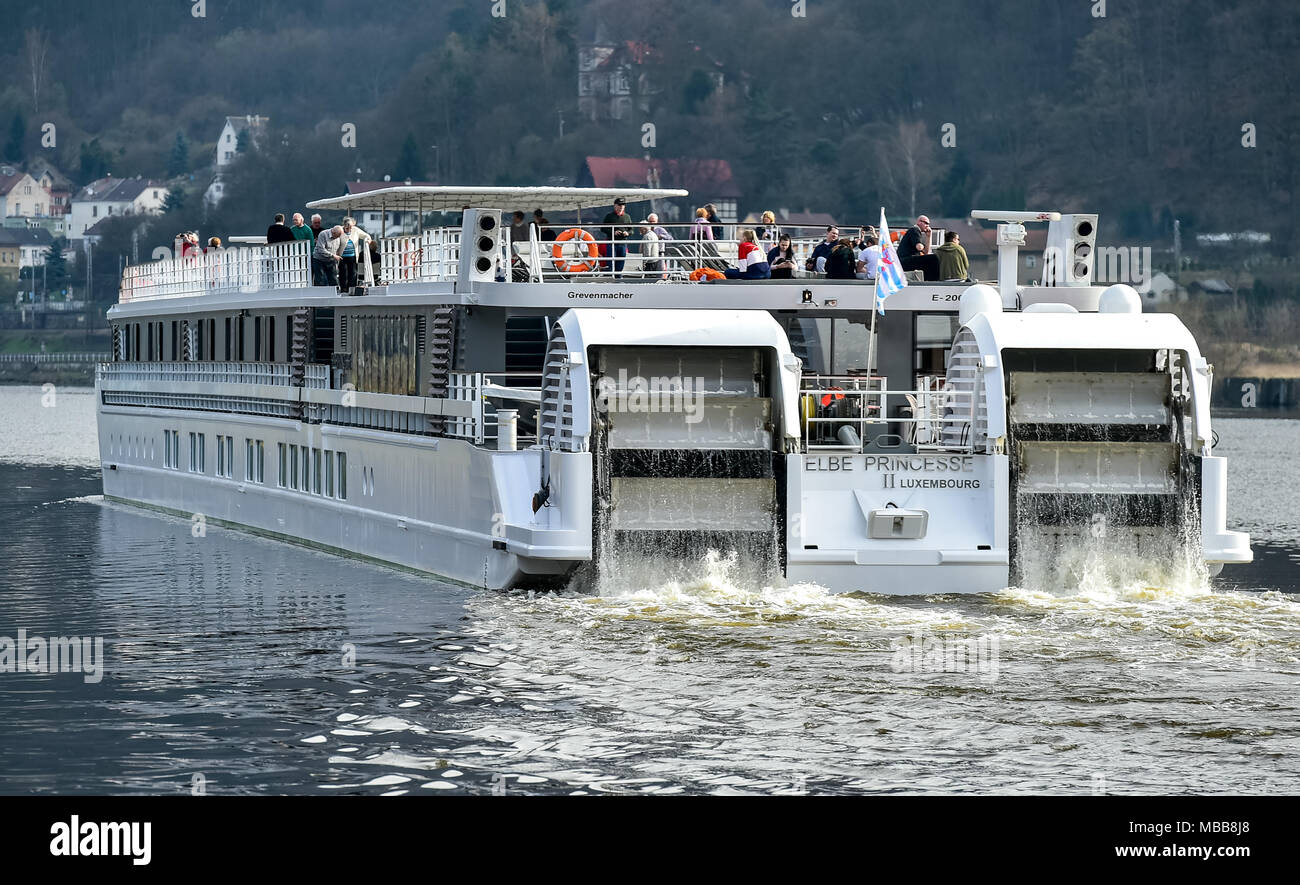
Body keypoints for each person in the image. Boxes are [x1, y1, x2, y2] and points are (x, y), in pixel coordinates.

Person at [898, 215, 940, 281]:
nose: (928, 226)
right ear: (919, 222)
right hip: (905, 260)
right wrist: (922, 245)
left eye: (928, 224)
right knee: (934, 258)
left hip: (905, 261)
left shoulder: (915, 231)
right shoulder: (914, 230)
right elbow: (919, 247)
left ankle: (927, 280)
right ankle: (933, 281)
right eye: (926, 223)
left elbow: (926, 252)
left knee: (927, 259)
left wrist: (928, 236)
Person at [333, 217, 371, 291]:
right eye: (347, 228)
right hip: (342, 257)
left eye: (350, 227)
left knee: (353, 273)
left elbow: (366, 235)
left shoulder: (355, 230)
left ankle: (352, 288)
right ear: (344, 226)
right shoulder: (340, 230)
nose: (349, 229)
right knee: (343, 273)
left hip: (353, 256)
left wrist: (368, 240)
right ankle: (344, 289)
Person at [601, 197, 633, 276]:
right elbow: (603, 228)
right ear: (615, 206)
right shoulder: (609, 216)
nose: (621, 206)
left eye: (623, 205)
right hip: (612, 243)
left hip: (622, 243)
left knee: (621, 263)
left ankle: (618, 279)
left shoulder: (627, 217)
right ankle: (610, 279)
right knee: (611, 263)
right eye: (619, 205)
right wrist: (613, 232)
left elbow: (631, 230)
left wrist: (627, 233)